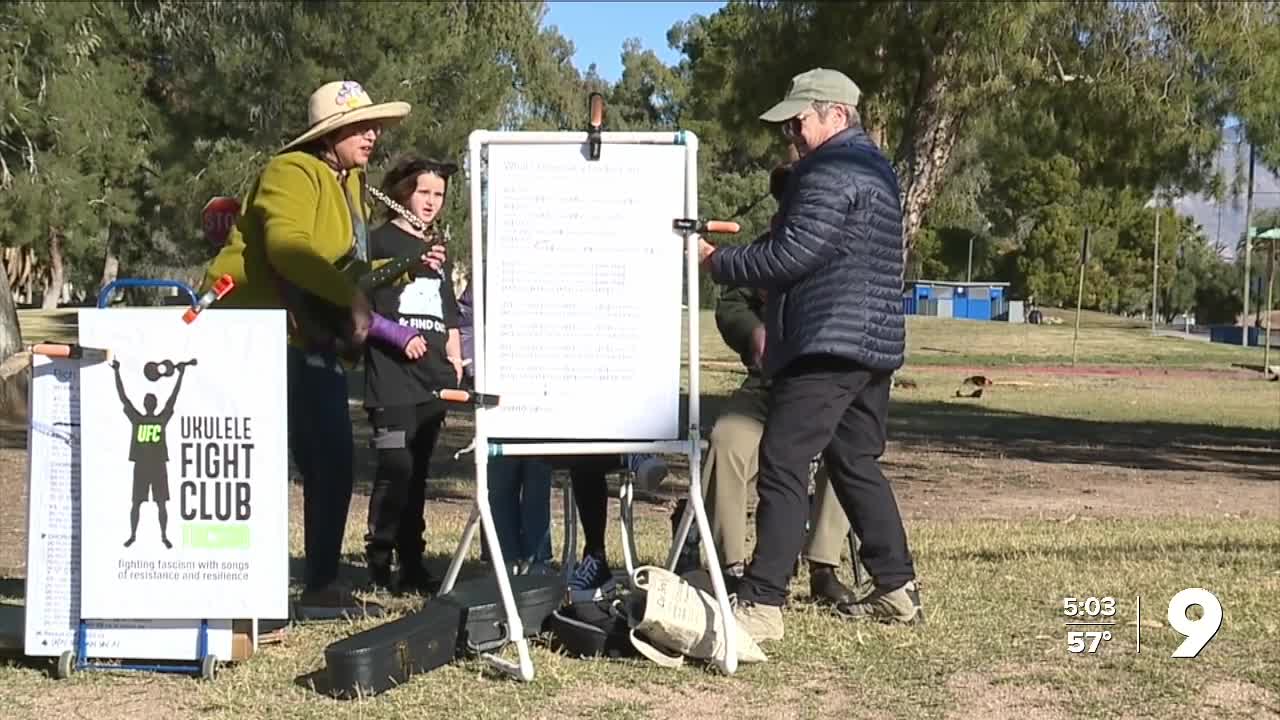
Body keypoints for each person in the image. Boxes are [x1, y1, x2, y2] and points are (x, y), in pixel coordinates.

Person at [199, 80, 445, 620]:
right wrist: (352, 301)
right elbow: (290, 250)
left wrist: (402, 267)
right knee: (272, 461)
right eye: (360, 126)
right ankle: (250, 581)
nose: (373, 134)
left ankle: (320, 584)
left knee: (331, 461)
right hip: (254, 335)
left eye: (375, 125)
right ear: (328, 134)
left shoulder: (347, 181)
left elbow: (346, 266)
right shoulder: (291, 172)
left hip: (306, 336)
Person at [697, 68, 923, 642]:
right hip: (871, 345)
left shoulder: (827, 170)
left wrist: (713, 260)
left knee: (782, 461)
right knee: (854, 462)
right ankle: (897, 589)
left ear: (836, 114)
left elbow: (791, 256)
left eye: (798, 121)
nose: (790, 135)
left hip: (825, 342)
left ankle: (764, 603)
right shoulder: (876, 168)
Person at [702, 279, 860, 606]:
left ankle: (823, 566)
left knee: (848, 442)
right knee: (726, 440)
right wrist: (752, 332)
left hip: (830, 383)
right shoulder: (777, 240)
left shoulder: (857, 244)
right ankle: (729, 569)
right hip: (769, 383)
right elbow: (733, 303)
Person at [362, 157, 466, 595]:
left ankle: (412, 564)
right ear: (404, 192)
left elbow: (448, 313)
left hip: (432, 379)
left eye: (438, 195)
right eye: (424, 192)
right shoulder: (378, 241)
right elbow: (355, 301)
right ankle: (379, 560)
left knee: (419, 470)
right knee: (394, 465)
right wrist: (396, 336)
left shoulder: (437, 248)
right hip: (389, 379)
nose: (431, 202)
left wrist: (457, 361)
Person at [457, 281, 556, 576]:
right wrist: (475, 368)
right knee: (499, 481)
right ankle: (502, 560)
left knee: (538, 479)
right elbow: (467, 317)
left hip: (543, 390)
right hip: (497, 391)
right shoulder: (491, 268)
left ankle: (537, 559)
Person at [112, 358, 191, 550]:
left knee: (161, 504)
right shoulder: (138, 419)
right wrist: (116, 372)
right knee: (136, 503)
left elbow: (173, 398)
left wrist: (181, 375)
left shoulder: (158, 419)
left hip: (157, 465)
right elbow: (123, 397)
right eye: (147, 400)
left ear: (152, 404)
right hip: (142, 465)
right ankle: (132, 535)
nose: (148, 402)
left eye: (150, 400)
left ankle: (164, 535)